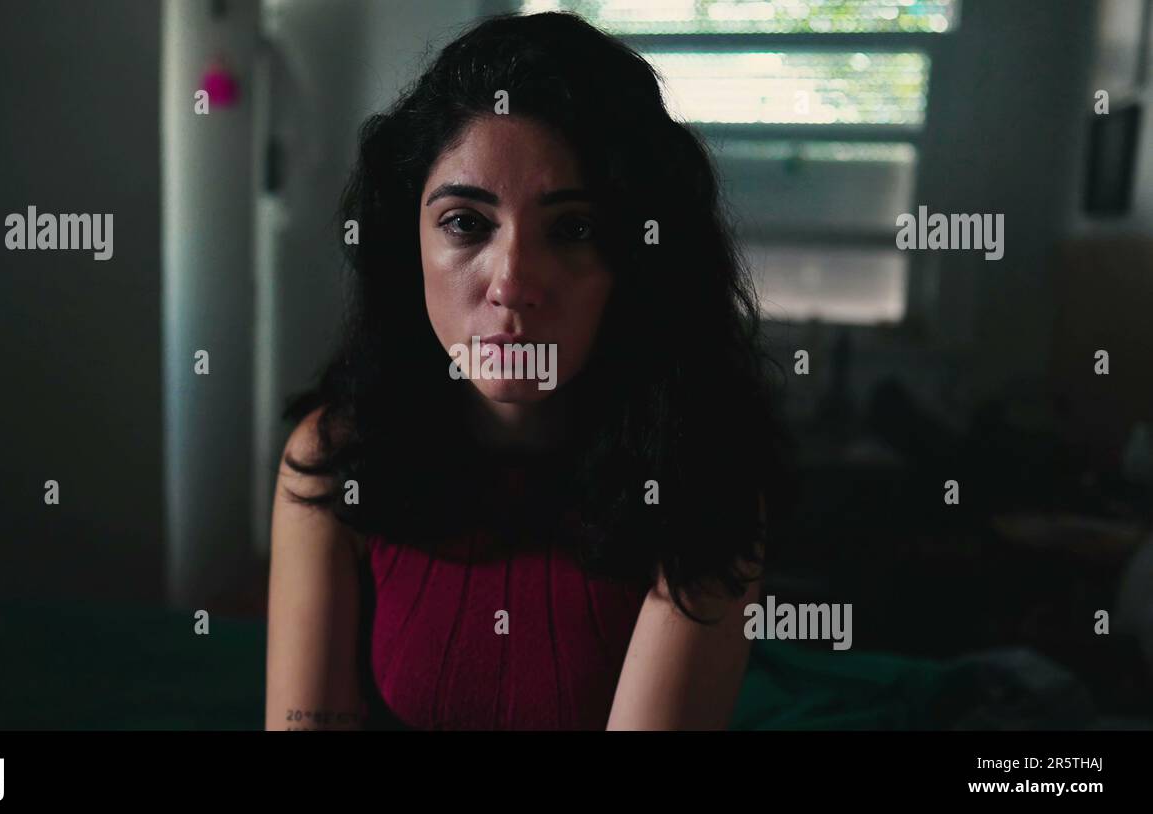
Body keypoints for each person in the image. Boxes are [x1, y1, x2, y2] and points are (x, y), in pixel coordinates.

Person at [265, 10, 791, 731]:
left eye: (573, 229)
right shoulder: (332, 459)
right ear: (406, 243)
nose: (512, 282)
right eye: (465, 223)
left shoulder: (701, 483)